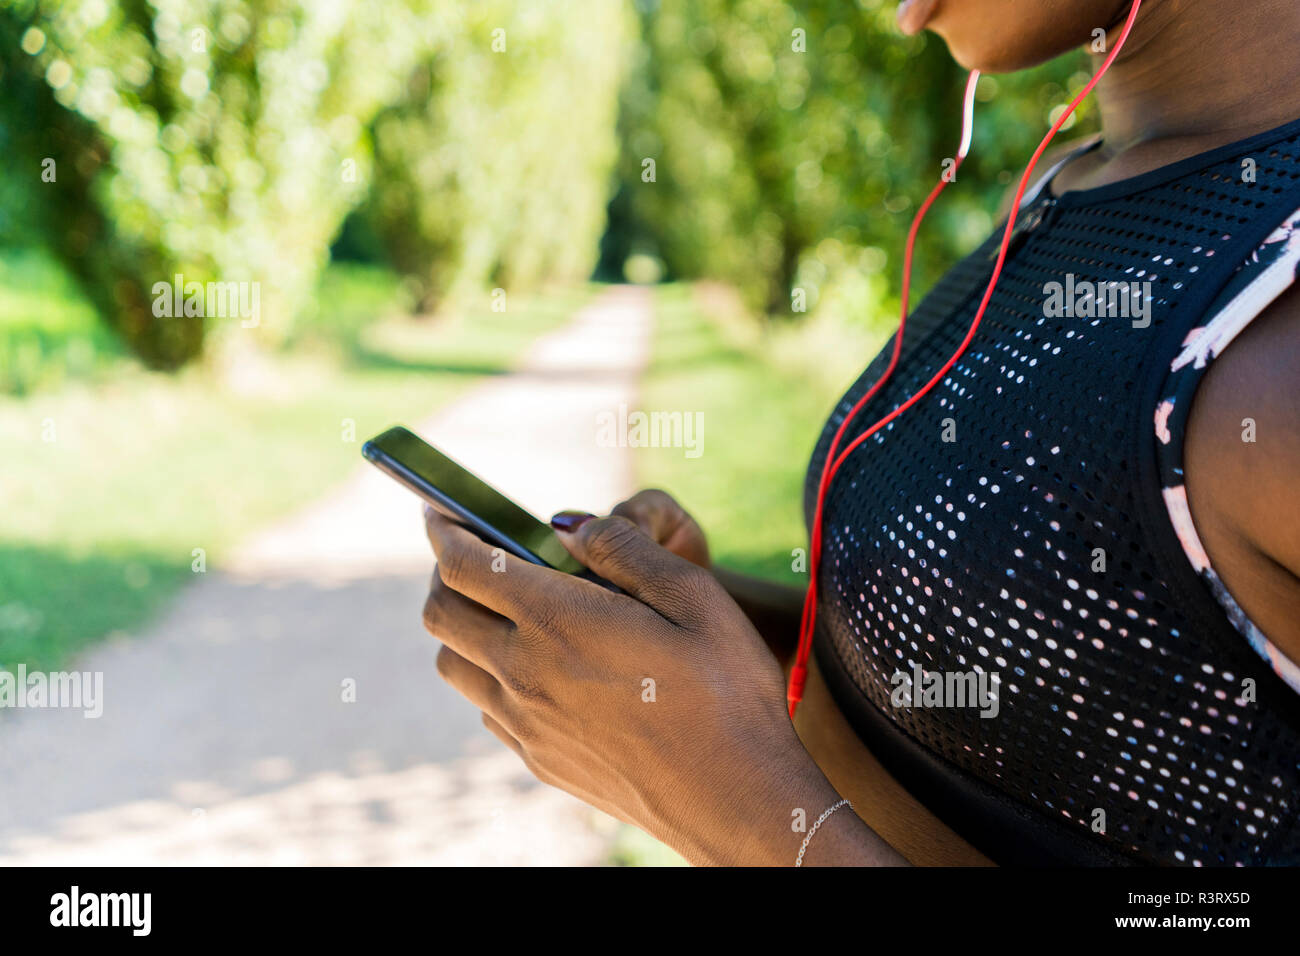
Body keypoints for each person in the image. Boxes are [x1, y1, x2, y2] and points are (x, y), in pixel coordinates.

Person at [421, 0, 1300, 865]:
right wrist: (720, 634)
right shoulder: (1081, 183)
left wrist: (741, 814)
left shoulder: (1276, 333)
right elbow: (1071, 690)